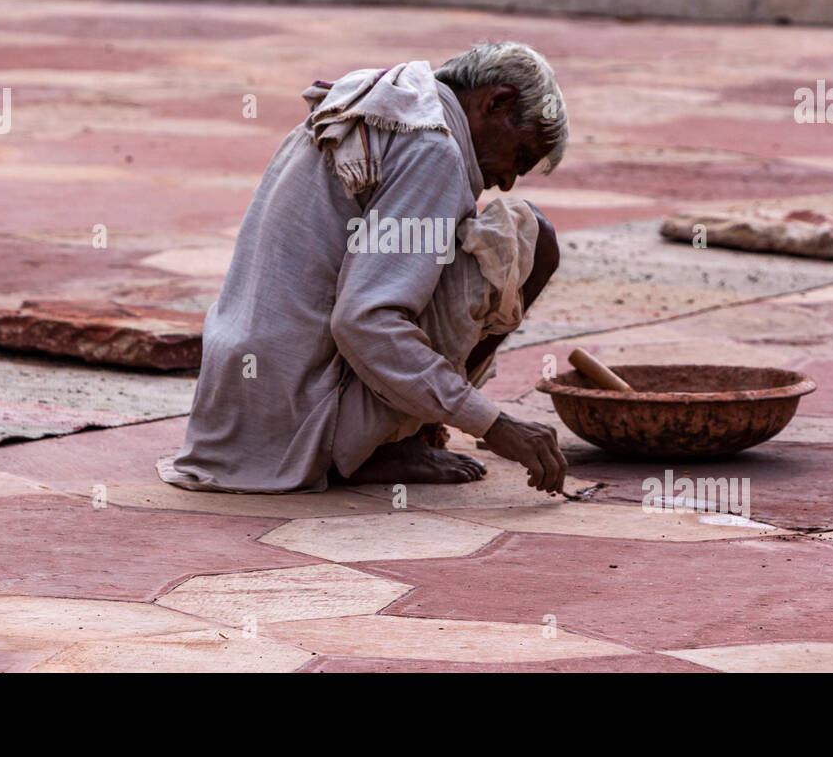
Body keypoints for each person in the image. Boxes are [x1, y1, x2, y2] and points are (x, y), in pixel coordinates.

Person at [158, 42, 569, 494]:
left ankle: (407, 427)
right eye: (521, 158)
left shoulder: (381, 100)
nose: (508, 181)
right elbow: (364, 322)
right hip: (306, 419)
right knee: (531, 239)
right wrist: (492, 423)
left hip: (242, 412)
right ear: (497, 101)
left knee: (454, 245)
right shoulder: (434, 147)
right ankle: (385, 445)